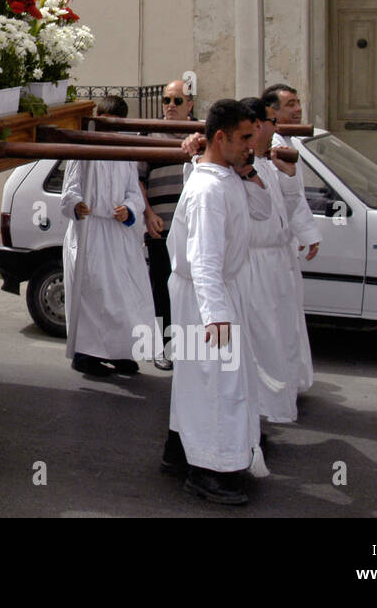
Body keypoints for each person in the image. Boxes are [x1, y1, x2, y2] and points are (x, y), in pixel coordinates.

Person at [160, 98, 263, 505]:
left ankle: (181, 452)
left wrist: (248, 168)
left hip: (218, 291)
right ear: (220, 137)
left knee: (204, 379)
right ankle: (211, 470)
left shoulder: (224, 176)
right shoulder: (208, 189)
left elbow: (263, 207)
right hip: (207, 297)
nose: (250, 146)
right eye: (244, 138)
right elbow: (203, 257)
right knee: (216, 383)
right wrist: (216, 313)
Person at [61, 95, 153, 377]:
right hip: (90, 231)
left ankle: (121, 352)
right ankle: (87, 354)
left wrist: (129, 209)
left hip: (118, 234)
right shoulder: (83, 152)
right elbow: (70, 191)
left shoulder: (124, 154)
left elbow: (133, 193)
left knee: (124, 297)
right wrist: (76, 204)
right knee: (94, 295)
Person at [236, 96, 302, 424]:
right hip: (253, 266)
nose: (277, 129)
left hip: (276, 263)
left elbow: (283, 215)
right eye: (272, 122)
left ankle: (277, 403)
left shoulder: (267, 164)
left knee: (280, 337)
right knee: (260, 342)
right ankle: (258, 412)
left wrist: (288, 177)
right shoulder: (238, 167)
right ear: (257, 125)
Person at [137, 77, 197, 371]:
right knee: (160, 288)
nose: (170, 106)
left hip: (193, 230)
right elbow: (138, 179)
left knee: (190, 290)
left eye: (177, 101)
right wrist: (148, 214)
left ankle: (186, 348)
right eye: (166, 100)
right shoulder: (151, 135)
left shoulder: (202, 136)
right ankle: (159, 346)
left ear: (190, 105)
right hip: (162, 226)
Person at [264, 83, 320, 392]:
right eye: (291, 104)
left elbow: (294, 196)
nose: (298, 109)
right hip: (268, 252)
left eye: (298, 103)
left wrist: (307, 233)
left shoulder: (286, 142)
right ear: (273, 112)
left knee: (289, 316)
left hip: (282, 247)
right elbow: (279, 201)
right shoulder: (270, 145)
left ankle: (290, 378)